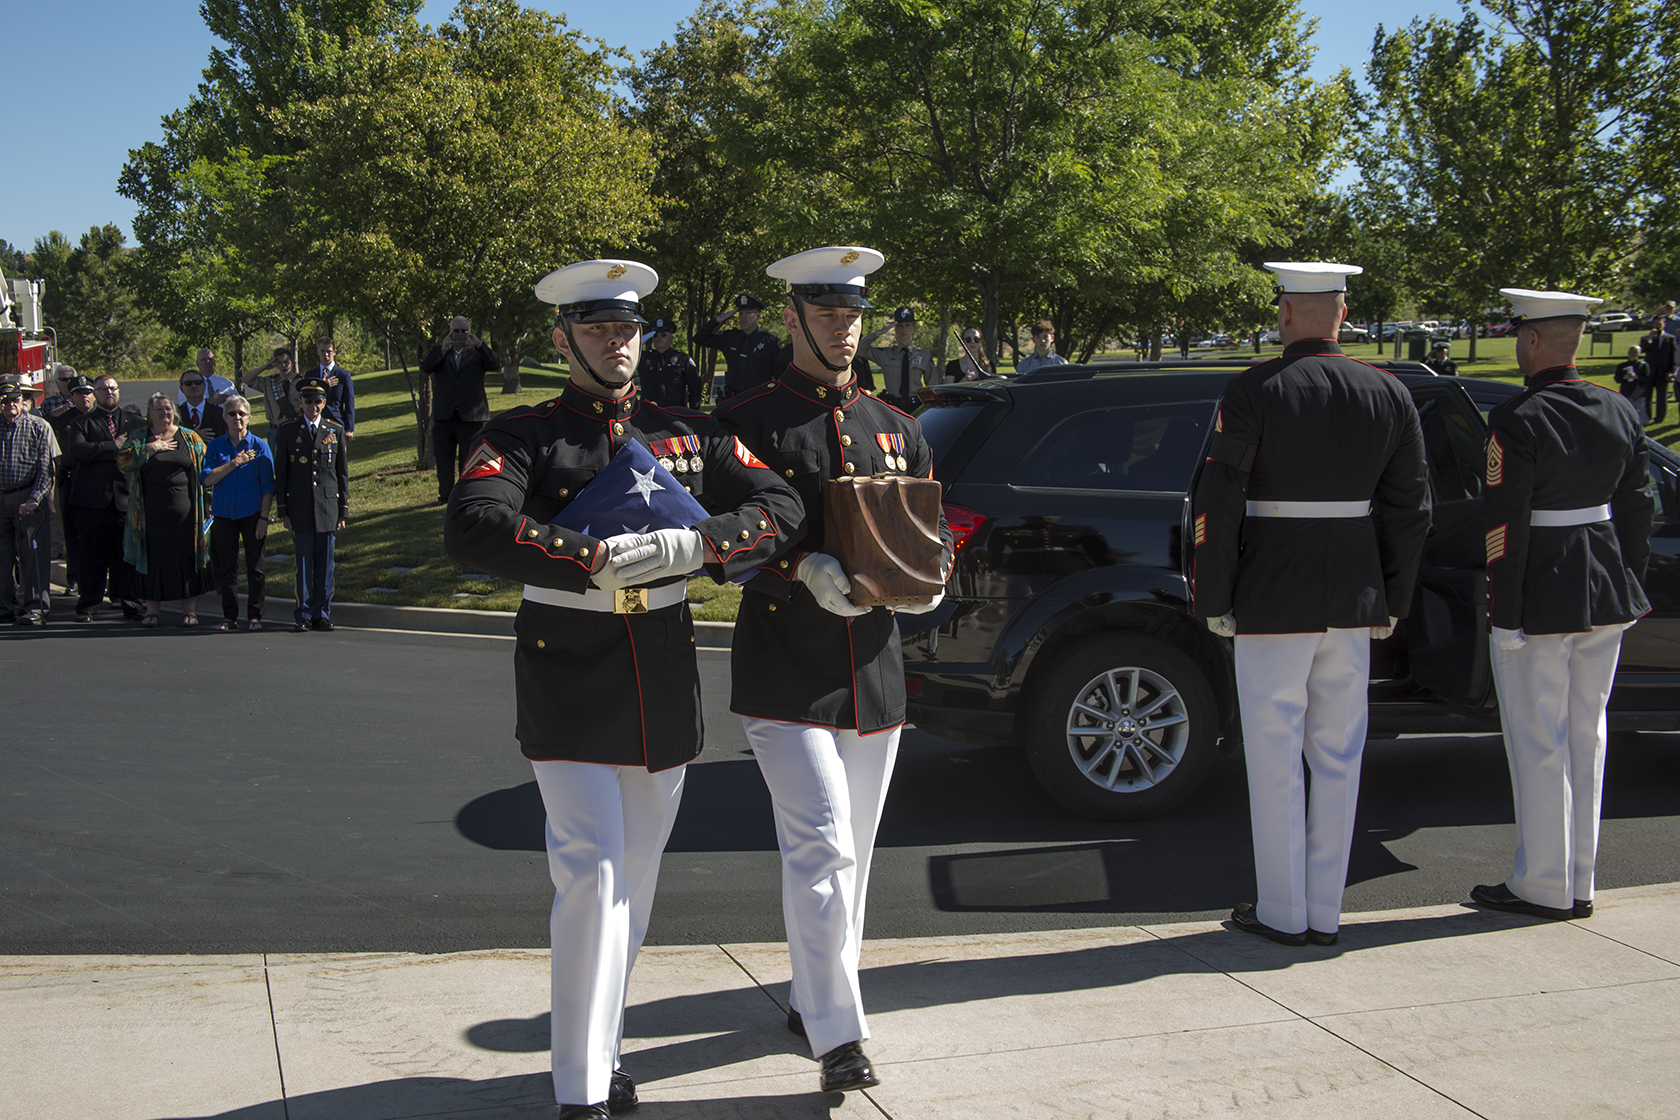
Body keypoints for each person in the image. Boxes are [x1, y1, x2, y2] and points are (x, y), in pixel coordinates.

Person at [444, 259, 803, 1120]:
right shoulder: (526, 434)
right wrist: (588, 556)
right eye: (599, 329)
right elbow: (476, 524)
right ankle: (580, 1092)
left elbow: (779, 505)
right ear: (562, 338)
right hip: (569, 665)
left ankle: (601, 1056)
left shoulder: (685, 429)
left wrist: (701, 546)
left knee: (634, 883)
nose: (618, 343)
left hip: (663, 669)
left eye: (629, 328)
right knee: (592, 874)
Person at [715, 246, 952, 1095]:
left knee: (855, 852)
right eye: (826, 313)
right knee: (821, 844)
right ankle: (840, 1037)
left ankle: (817, 995)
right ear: (792, 317)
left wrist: (932, 574)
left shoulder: (896, 421)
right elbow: (727, 536)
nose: (843, 328)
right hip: (785, 665)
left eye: (853, 313)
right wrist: (797, 569)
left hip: (875, 668)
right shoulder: (749, 418)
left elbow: (929, 513)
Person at [1189, 261, 1432, 947]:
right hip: (1354, 592)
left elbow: (1220, 499)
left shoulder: (1254, 389)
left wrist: (1216, 595)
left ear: (1287, 312)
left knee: (1273, 754)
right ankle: (1324, 911)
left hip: (1272, 590)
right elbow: (1412, 508)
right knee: (1338, 754)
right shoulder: (1388, 393)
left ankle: (1282, 910)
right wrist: (1392, 594)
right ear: (1344, 310)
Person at [1471, 288, 1653, 922]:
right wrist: (1627, 577)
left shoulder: (1519, 418)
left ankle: (1543, 884)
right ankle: (1580, 880)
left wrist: (1507, 612)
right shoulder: (1619, 409)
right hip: (1606, 588)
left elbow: (1508, 525)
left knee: (1538, 738)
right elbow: (1639, 506)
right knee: (1588, 734)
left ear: (1532, 340)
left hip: (1543, 595)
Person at [118, 392, 211, 627]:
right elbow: (123, 461)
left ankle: (189, 611)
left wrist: (209, 500)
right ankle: (152, 611)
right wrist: (151, 448)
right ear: (149, 414)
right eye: (159, 409)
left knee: (186, 558)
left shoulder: (190, 438)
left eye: (168, 409)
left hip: (186, 511)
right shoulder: (140, 437)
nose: (164, 413)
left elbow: (207, 469)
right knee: (152, 559)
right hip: (150, 512)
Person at [273, 376, 349, 631]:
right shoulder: (288, 430)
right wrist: (282, 510)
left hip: (328, 507)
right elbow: (281, 473)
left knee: (326, 565)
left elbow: (341, 474)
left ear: (324, 402)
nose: (312, 406)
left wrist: (343, 510)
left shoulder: (334, 430)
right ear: (300, 402)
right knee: (303, 565)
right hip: (300, 507)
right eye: (308, 401)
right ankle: (303, 614)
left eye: (317, 401)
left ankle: (322, 614)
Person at [67, 376, 146, 622]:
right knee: (93, 558)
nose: (109, 392)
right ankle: (88, 606)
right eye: (103, 389)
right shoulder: (82, 423)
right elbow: (79, 451)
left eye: (113, 388)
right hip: (93, 502)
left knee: (126, 558)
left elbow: (142, 452)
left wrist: (107, 449)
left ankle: (131, 604)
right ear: (95, 394)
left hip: (127, 501)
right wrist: (113, 445)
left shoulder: (135, 421)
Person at [200, 395, 275, 631]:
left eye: (242, 413)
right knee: (227, 568)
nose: (237, 418)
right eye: (232, 413)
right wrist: (235, 462)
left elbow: (268, 487)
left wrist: (263, 518)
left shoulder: (259, 446)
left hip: (252, 514)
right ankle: (229, 616)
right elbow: (207, 478)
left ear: (249, 418)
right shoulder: (214, 447)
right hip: (223, 515)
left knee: (255, 568)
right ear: (224, 417)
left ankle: (254, 616)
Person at [420, 317, 501, 504]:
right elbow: (426, 368)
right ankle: (446, 496)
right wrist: (442, 349)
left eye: (464, 331)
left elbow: (495, 364)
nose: (460, 334)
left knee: (470, 458)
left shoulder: (477, 352)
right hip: (444, 415)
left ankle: (467, 494)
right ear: (449, 331)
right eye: (456, 330)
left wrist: (479, 344)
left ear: (469, 331)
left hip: (470, 416)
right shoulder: (440, 352)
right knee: (444, 458)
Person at [0, 378, 54, 626]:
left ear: (23, 401)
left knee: (32, 557)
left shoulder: (38, 426)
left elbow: (46, 469)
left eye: (15, 399)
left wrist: (34, 498)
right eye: (4, 400)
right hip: (2, 497)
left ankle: (34, 607)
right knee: (2, 557)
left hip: (28, 498)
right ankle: (4, 606)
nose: (10, 404)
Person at [696, 294, 782, 400]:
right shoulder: (730, 338)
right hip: (733, 401)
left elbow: (781, 375)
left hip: (759, 402)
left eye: (748, 313)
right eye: (741, 313)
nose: (743, 317)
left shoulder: (769, 342)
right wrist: (718, 319)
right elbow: (699, 338)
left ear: (758, 316)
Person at [862, 306, 935, 409]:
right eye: (900, 325)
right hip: (893, 407)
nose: (903, 329)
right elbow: (860, 349)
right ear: (895, 328)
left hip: (916, 406)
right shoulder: (886, 354)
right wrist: (879, 332)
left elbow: (933, 386)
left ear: (913, 328)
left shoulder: (923, 356)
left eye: (907, 325)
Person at [635, 316, 703, 409]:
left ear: (671, 337)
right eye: (655, 334)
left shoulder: (682, 359)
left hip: (675, 414)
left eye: (663, 334)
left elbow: (695, 387)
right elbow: (629, 351)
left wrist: (693, 411)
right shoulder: (643, 358)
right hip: (648, 413)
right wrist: (643, 338)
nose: (659, 337)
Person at [305, 338, 356, 441]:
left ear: (334, 352)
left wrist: (349, 428)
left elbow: (349, 403)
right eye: (322, 351)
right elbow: (306, 400)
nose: (326, 355)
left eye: (329, 351)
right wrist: (323, 386)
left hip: (335, 423)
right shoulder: (310, 375)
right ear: (317, 352)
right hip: (315, 424)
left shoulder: (343, 375)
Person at [247, 347, 302, 439]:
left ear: (291, 361)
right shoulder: (270, 382)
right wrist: (265, 367)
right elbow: (246, 380)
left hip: (294, 427)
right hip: (275, 429)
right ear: (275, 364)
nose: (283, 365)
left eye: (286, 362)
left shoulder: (300, 382)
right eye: (279, 363)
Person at [1640, 316, 1676, 424]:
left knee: (1662, 397)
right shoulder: (1646, 338)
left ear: (1664, 324)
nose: (1657, 327)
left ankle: (1659, 418)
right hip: (1649, 372)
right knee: (1647, 397)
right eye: (1655, 324)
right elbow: (1642, 350)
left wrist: (1671, 371)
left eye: (1659, 324)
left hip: (1663, 372)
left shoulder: (1670, 339)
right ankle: (1647, 416)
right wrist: (1650, 338)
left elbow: (1672, 356)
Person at [178, 367, 228, 441]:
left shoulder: (221, 413)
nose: (193, 386)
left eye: (197, 382)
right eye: (188, 383)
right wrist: (193, 435)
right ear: (181, 388)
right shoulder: (175, 415)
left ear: (204, 386)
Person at [1615, 345, 1652, 425]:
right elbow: (1617, 379)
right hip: (1626, 391)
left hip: (1638, 391)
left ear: (1639, 354)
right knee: (1626, 410)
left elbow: (1648, 379)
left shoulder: (1643, 366)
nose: (1633, 354)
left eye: (1635, 352)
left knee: (1640, 410)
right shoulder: (1622, 366)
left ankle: (1641, 425)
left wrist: (1637, 377)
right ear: (1628, 353)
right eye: (1631, 352)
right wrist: (1624, 377)